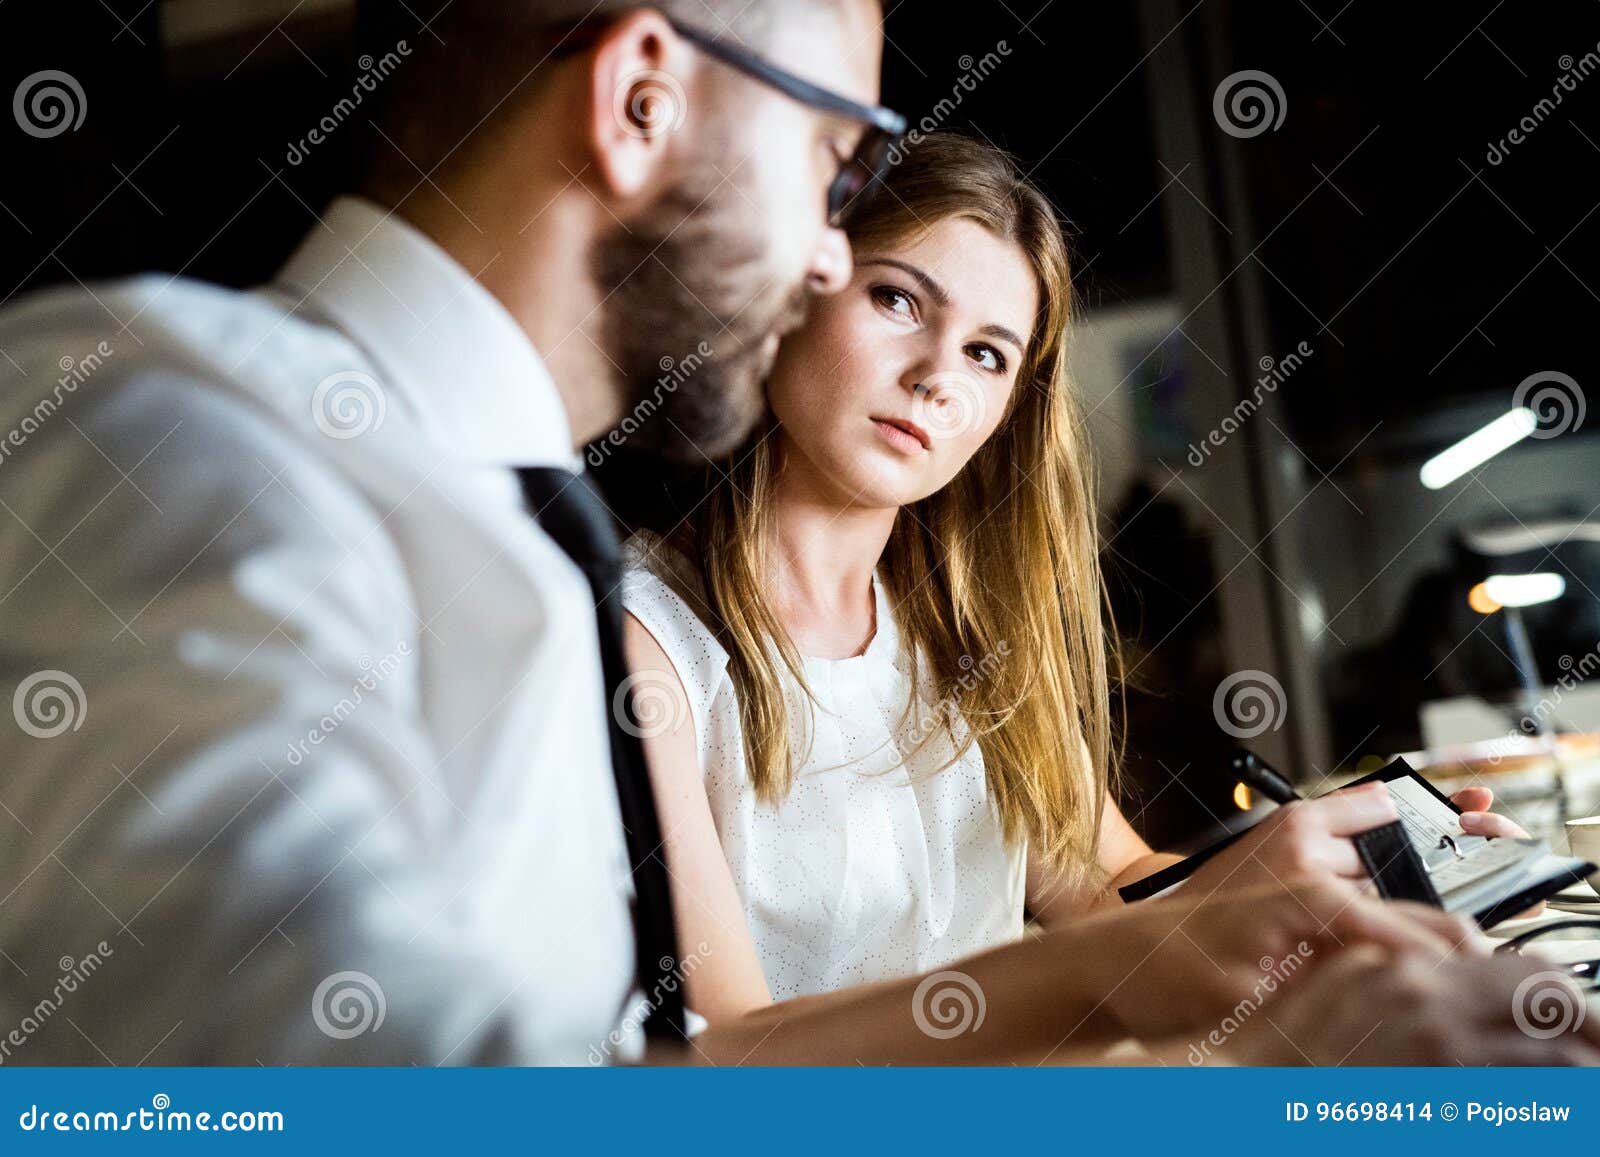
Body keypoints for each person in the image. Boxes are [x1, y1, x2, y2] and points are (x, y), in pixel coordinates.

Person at [0, 8, 1574, 1069]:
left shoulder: (517, 561)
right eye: (833, 168)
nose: (827, 254)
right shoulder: (169, 426)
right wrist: (1132, 982)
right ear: (639, 100)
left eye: (987, 355)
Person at [618, 132, 1535, 1021]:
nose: (938, 373)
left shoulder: (963, 638)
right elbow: (730, 1053)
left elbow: (1104, 891)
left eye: (987, 353)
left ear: (1006, 413)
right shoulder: (646, 641)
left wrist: (1280, 875)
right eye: (898, 300)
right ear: (798, 293)